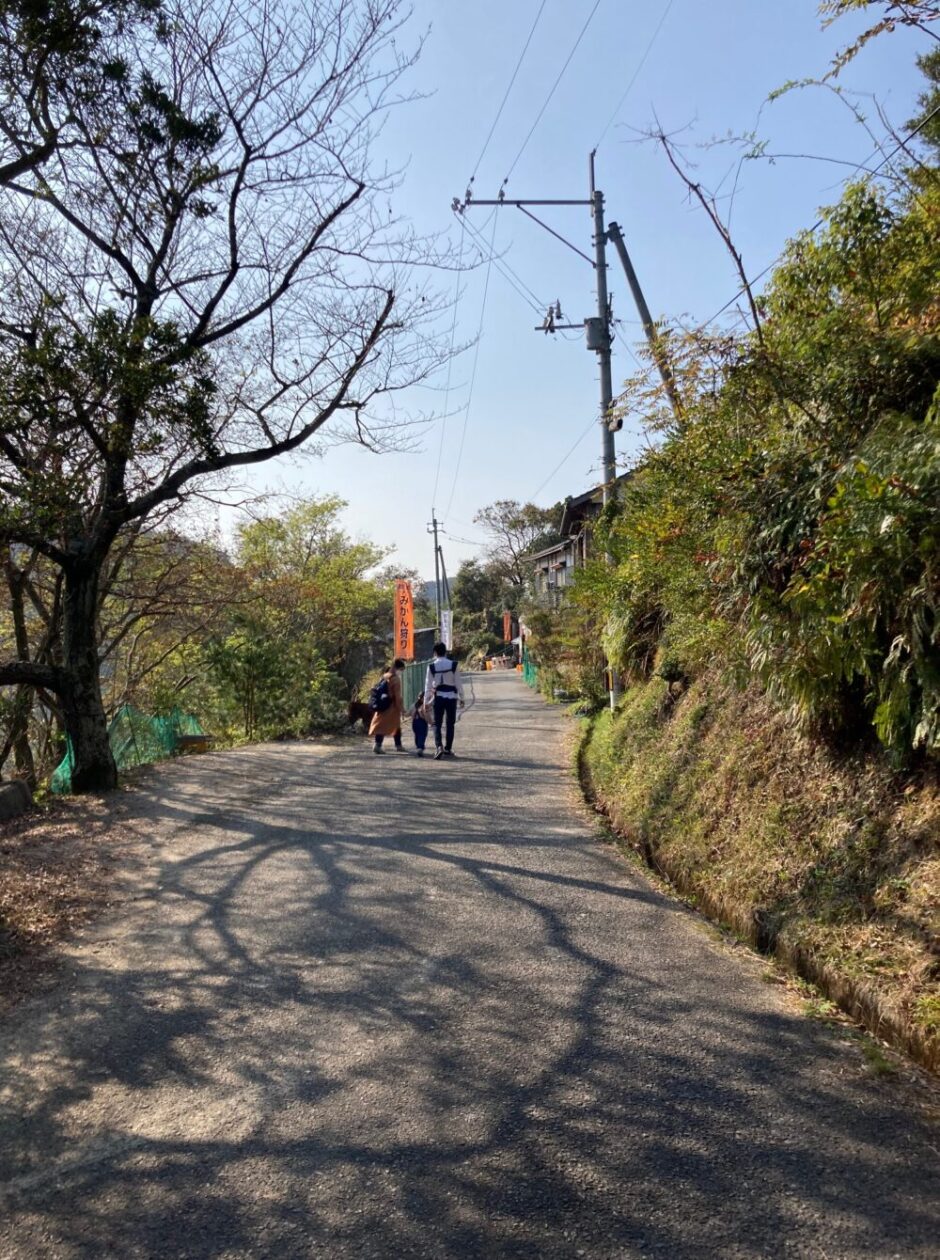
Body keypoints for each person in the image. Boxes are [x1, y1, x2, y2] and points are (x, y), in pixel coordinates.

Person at [424, 642, 464, 760]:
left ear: (435, 653)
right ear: (445, 651)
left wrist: (426, 701)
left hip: (438, 697)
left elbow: (427, 685)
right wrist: (461, 697)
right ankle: (448, 748)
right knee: (450, 723)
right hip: (452, 697)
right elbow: (458, 683)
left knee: (437, 723)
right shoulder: (454, 665)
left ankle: (438, 747)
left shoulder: (431, 667)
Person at [369, 659, 405, 754]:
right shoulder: (396, 679)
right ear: (398, 668)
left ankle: (398, 745)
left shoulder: (385, 676)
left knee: (393, 725)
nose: (401, 672)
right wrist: (401, 708)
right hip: (391, 707)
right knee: (384, 726)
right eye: (401, 670)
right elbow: (397, 696)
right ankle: (378, 745)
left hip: (382, 704)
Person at [411, 691, 429, 757]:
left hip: (414, 723)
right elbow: (424, 715)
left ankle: (418, 746)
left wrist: (404, 713)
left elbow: (409, 713)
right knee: (422, 735)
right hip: (422, 723)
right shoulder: (423, 706)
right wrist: (429, 721)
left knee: (417, 735)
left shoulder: (414, 705)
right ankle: (420, 748)